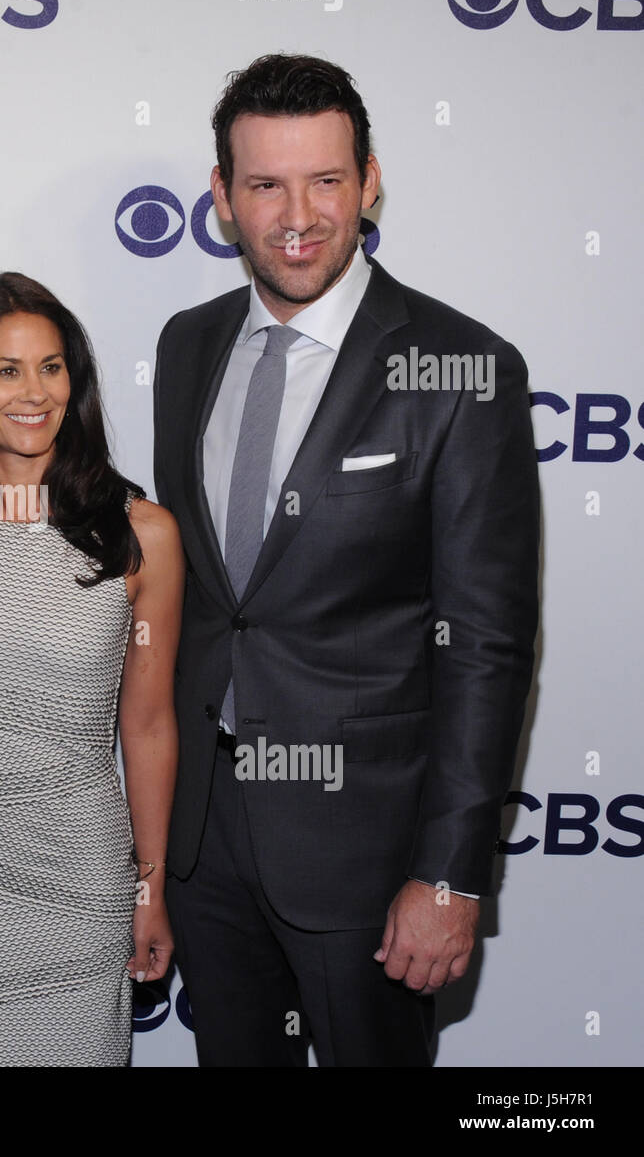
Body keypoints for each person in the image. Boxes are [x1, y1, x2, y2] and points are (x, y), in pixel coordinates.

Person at [153, 54, 539, 1066]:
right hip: (204, 839)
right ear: (221, 200)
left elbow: (487, 647)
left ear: (369, 180)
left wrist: (450, 875)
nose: (298, 214)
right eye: (265, 184)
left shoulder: (459, 370)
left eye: (325, 179)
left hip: (368, 854)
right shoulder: (187, 346)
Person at [0, 272, 182, 1066]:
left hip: (82, 864)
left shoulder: (141, 533)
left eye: (51, 367)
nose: (35, 392)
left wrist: (148, 885)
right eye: (8, 369)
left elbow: (150, 725)